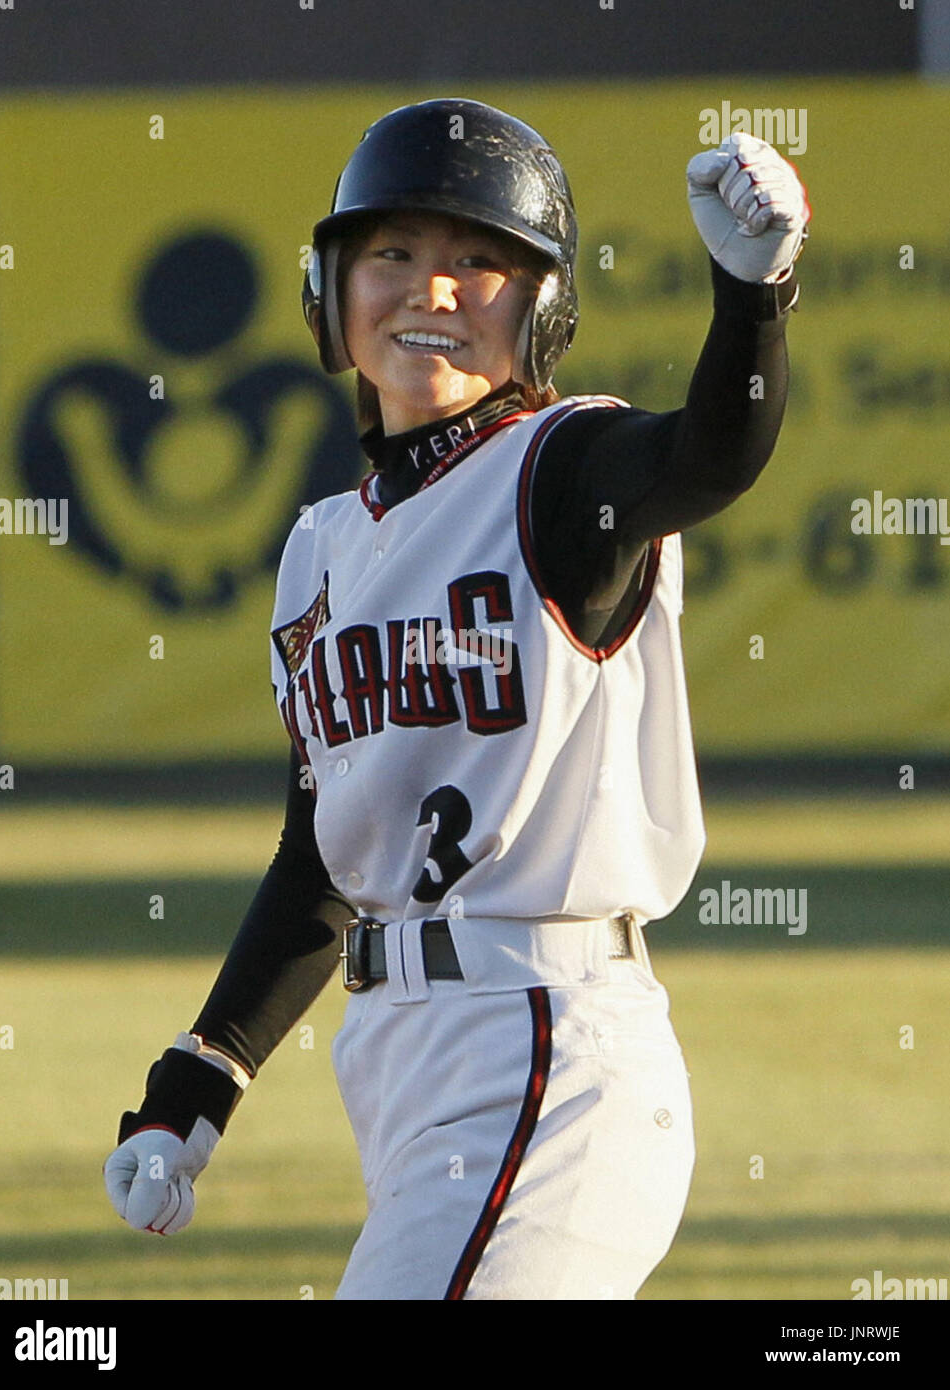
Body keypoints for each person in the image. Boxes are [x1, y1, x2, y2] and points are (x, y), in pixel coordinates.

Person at [104, 98, 809, 1300]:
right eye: (393, 255)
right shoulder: (324, 546)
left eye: (477, 262)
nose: (432, 291)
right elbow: (326, 858)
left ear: (541, 309)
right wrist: (202, 1076)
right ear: (331, 291)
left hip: (546, 1046)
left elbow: (707, 454)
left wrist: (753, 296)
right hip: (405, 1070)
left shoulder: (560, 470)